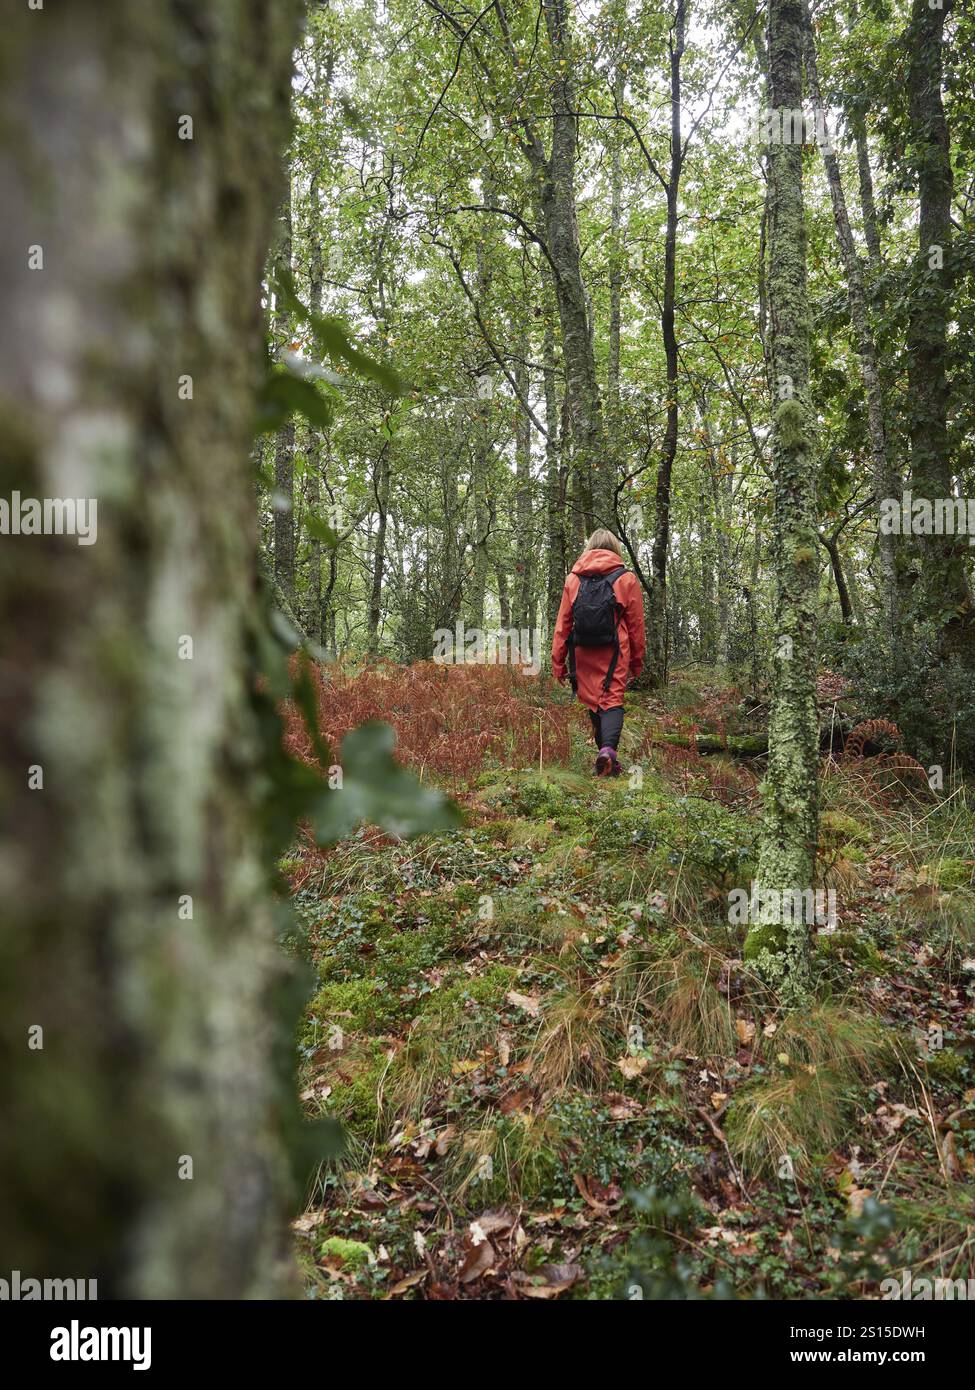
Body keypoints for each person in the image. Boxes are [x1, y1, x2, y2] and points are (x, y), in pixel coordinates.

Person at [551, 528, 646, 776]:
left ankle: (606, 759)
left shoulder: (573, 579)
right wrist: (637, 662)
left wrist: (558, 663)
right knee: (612, 700)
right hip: (615, 650)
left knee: (594, 701)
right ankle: (608, 752)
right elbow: (636, 626)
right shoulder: (626, 579)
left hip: (582, 652)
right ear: (614, 548)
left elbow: (563, 625)